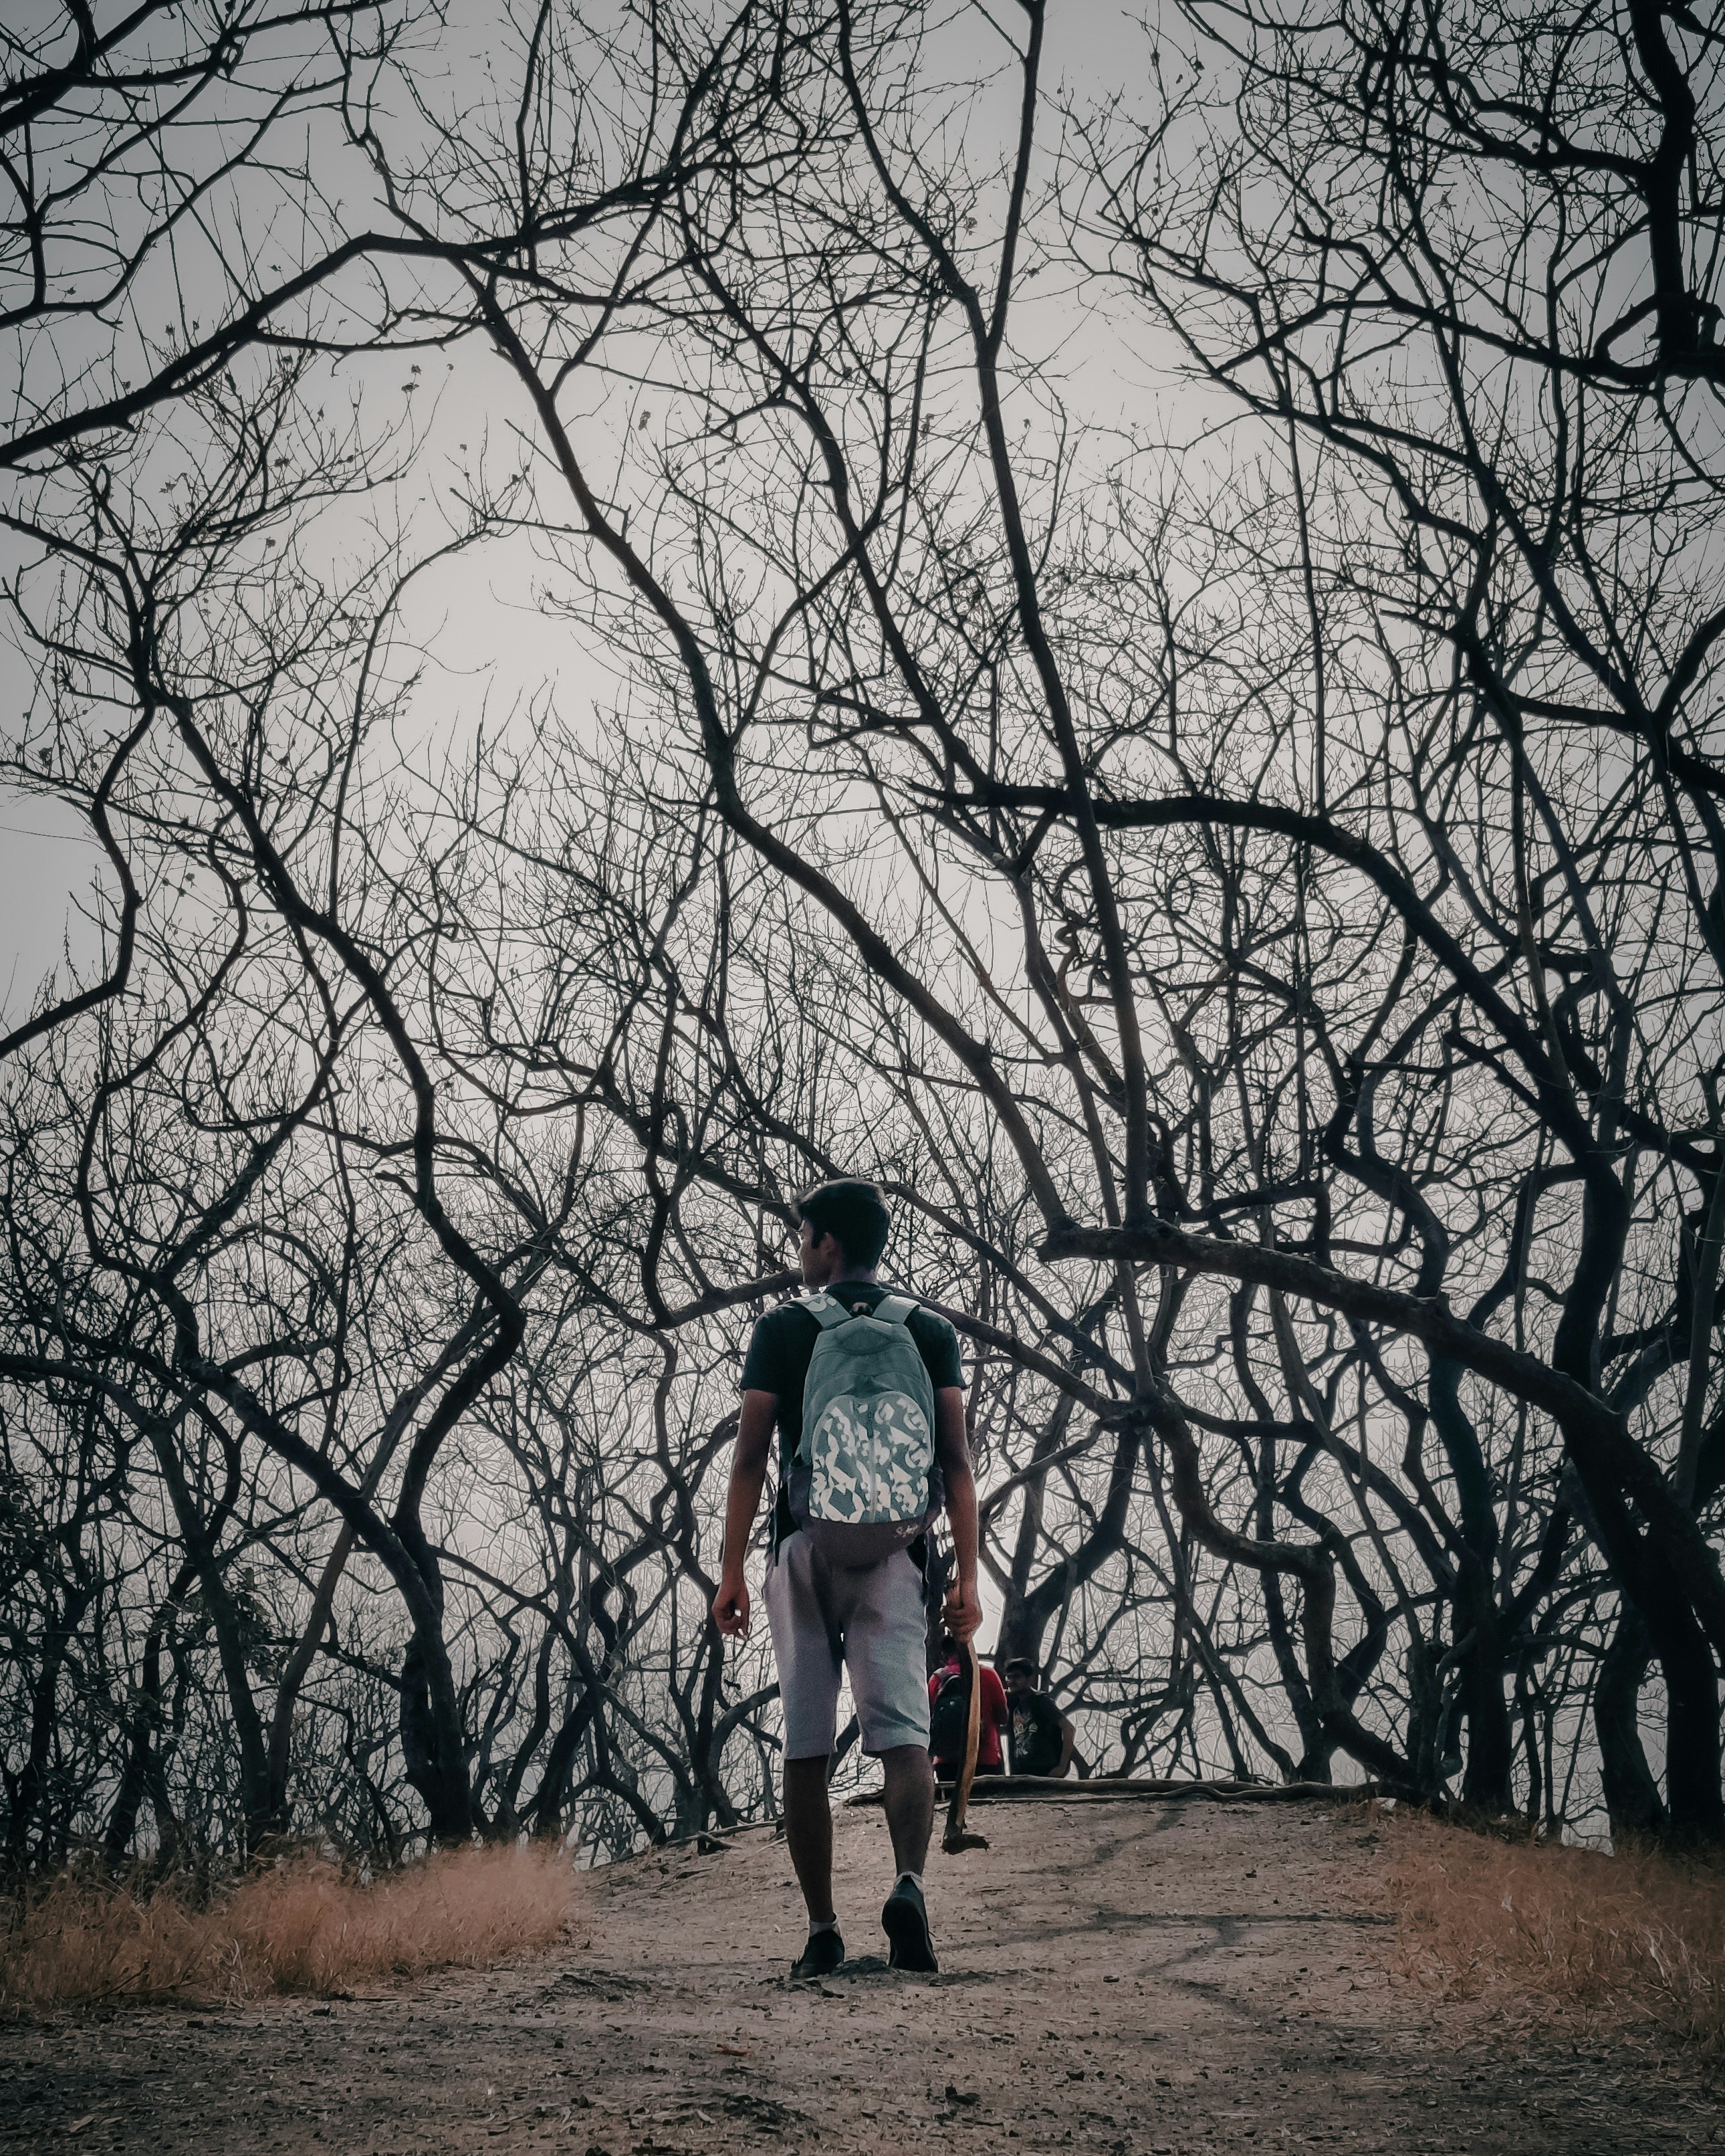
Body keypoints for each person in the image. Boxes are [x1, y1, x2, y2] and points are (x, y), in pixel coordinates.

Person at [711, 1178, 982, 1979]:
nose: (800, 1250)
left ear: (828, 1242)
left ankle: (823, 1927)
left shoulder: (785, 1328)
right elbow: (957, 1464)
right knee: (905, 1738)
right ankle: (908, 1884)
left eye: (804, 1237)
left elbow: (753, 1457)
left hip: (804, 1551)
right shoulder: (928, 1330)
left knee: (806, 1742)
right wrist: (967, 1578)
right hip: (897, 1554)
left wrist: (730, 1569)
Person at [929, 1634, 1008, 1780]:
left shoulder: (937, 1679)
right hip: (985, 1758)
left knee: (950, 1802)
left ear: (944, 1654)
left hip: (946, 1761)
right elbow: (1002, 1717)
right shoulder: (987, 1674)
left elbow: (930, 1719)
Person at [1004, 1658, 1076, 1780]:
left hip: (1045, 1772)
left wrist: (1062, 1767)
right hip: (1022, 1774)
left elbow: (1069, 1728)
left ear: (1029, 1679)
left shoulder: (1041, 1701)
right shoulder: (1015, 1704)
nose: (1011, 1681)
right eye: (1009, 1677)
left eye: (1017, 1677)